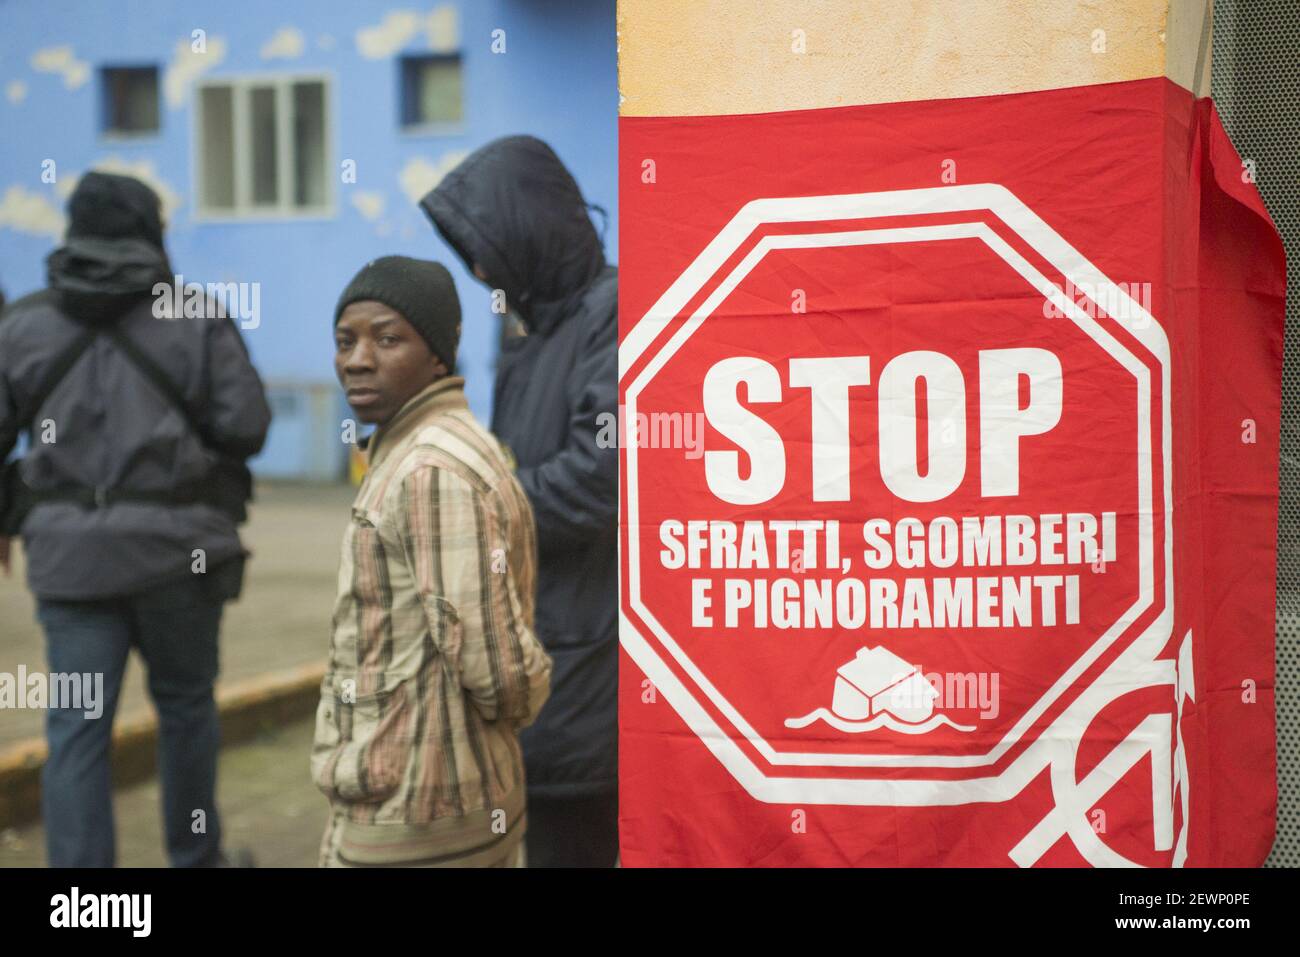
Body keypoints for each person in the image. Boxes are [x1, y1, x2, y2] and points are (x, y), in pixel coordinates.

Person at [0, 171, 271, 867]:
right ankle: (196, 858)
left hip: (69, 565)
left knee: (77, 728)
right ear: (151, 230)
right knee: (186, 710)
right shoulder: (197, 316)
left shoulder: (21, 324)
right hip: (181, 556)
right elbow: (247, 425)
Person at [313, 255, 552, 867]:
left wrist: (521, 700)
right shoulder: (415, 447)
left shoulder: (431, 469)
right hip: (419, 800)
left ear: (438, 356)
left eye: (388, 339)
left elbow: (495, 667)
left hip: (422, 815)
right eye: (345, 340)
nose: (358, 359)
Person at [421, 136, 620, 867]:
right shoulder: (525, 321)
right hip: (537, 636)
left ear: (532, 230)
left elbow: (603, 477)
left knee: (576, 832)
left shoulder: (612, 312)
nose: (480, 272)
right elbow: (513, 461)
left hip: (589, 638)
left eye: (488, 252)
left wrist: (474, 506)